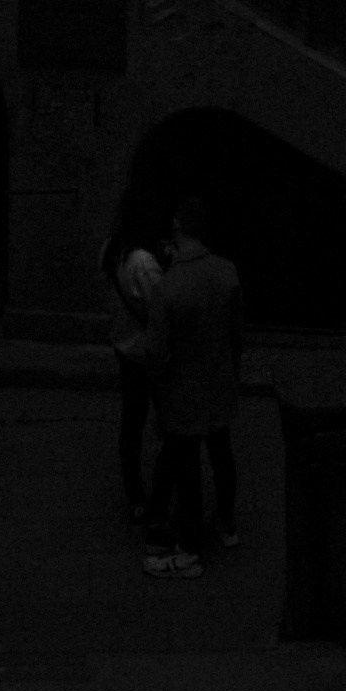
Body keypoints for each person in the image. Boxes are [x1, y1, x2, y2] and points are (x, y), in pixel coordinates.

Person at [145, 199, 242, 572]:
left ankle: (189, 546)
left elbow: (156, 352)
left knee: (187, 467)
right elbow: (236, 333)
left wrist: (160, 390)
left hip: (184, 391)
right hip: (219, 380)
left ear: (177, 227)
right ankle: (226, 522)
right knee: (222, 453)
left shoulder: (168, 287)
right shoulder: (227, 272)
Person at [101, 231, 163, 531]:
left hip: (126, 346)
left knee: (132, 422)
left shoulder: (113, 250)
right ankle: (161, 494)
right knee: (169, 423)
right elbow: (162, 311)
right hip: (149, 352)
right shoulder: (144, 262)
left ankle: (134, 492)